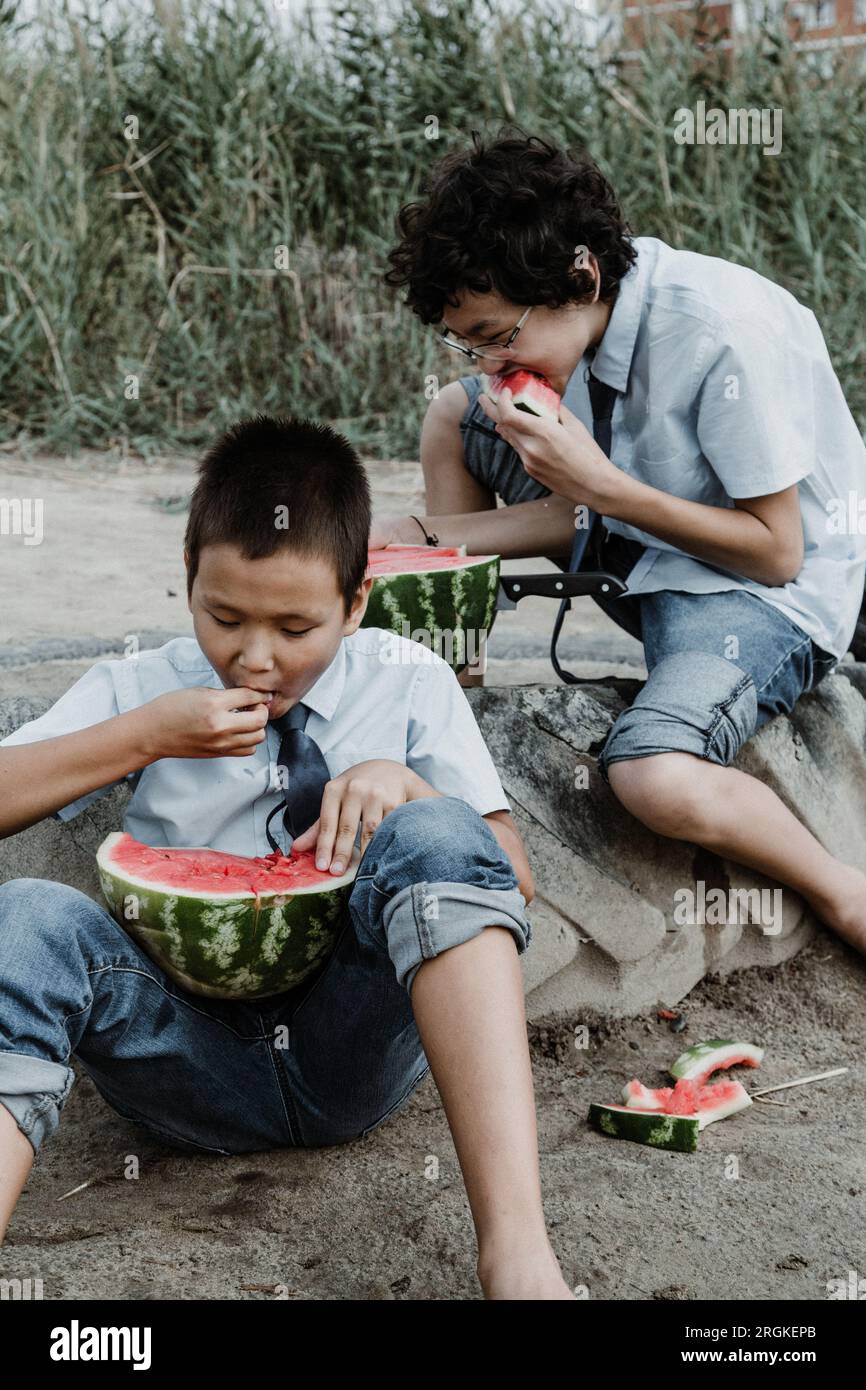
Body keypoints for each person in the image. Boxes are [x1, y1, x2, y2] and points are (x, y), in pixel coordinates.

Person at [0, 415, 578, 1300]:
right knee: (28, 915)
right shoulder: (139, 688)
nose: (255, 656)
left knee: (433, 832)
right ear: (186, 583)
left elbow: (511, 877)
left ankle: (518, 1257)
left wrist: (408, 788)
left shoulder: (409, 679)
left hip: (351, 1051)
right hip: (180, 1063)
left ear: (355, 604)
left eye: (296, 627)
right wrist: (140, 737)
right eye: (222, 616)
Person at [377, 126, 866, 957]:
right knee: (455, 416)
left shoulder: (717, 333)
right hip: (646, 546)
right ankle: (452, 696)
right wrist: (417, 538)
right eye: (470, 343)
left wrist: (597, 483)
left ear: (582, 275)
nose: (494, 365)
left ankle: (844, 891)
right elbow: (586, 518)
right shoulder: (577, 331)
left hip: (755, 593)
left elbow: (776, 551)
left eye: (500, 337)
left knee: (652, 772)